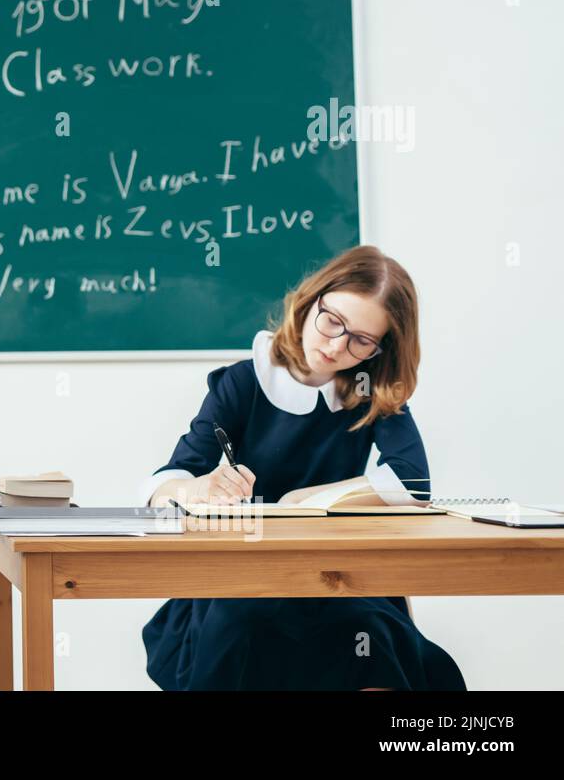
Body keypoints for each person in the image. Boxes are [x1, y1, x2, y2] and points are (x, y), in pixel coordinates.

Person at [135, 245, 465, 690]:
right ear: (311, 301)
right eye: (333, 321)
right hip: (244, 578)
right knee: (239, 625)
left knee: (373, 637)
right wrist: (196, 490)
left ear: (378, 348)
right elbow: (165, 482)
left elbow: (413, 481)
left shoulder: (372, 390)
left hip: (334, 580)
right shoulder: (245, 380)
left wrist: (305, 500)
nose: (336, 346)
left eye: (361, 340)